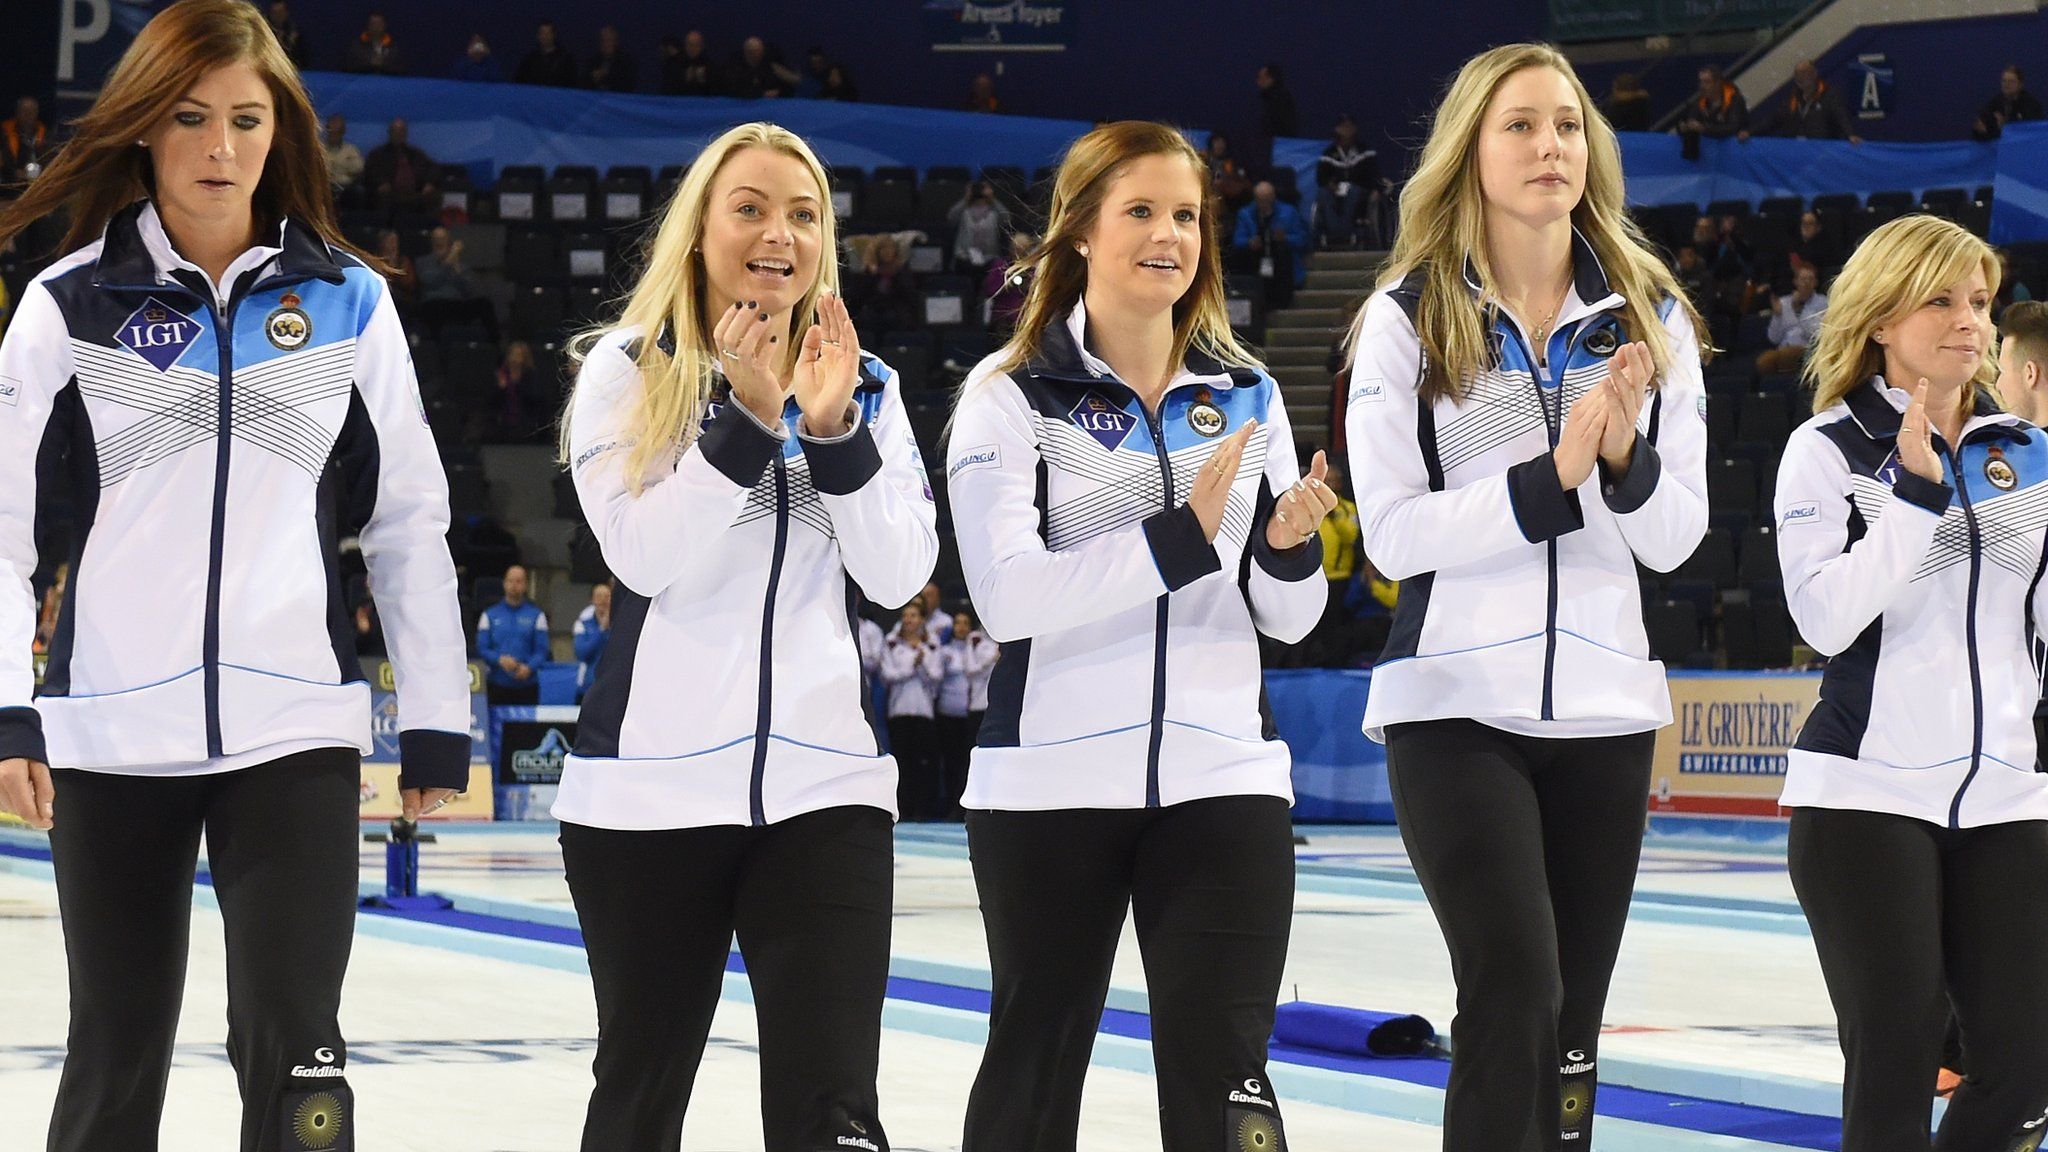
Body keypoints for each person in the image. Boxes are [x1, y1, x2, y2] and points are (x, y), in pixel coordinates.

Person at [0, 5, 473, 1150]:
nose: (220, 148)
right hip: (112, 736)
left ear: (282, 134)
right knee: (116, 1053)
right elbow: (3, 528)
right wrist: (10, 714)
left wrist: (437, 721)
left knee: (302, 1055)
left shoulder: (351, 302)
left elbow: (408, 521)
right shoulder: (66, 307)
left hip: (294, 731)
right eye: (192, 118)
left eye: (247, 121)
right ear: (145, 130)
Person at [945, 119, 1336, 1152]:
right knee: (1033, 1069)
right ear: (1079, 230)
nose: (1166, 235)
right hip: (1050, 784)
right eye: (1139, 212)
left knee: (1228, 1087)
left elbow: (1285, 618)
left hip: (1223, 777)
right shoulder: (1007, 395)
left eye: (1183, 215)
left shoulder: (1242, 391)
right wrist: (1175, 541)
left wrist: (1291, 547)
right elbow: (1006, 598)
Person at [1344, 43, 1708, 1150]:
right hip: (1453, 706)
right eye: (1519, 125)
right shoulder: (1405, 317)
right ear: (1469, 148)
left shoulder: (1648, 314)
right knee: (1510, 995)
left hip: (1603, 711)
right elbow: (1397, 534)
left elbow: (1675, 535)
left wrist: (1620, 460)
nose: (1548, 145)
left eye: (1564, 124)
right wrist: (1545, 480)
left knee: (1568, 1031)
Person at [553, 121, 936, 1151]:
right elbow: (642, 557)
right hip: (645, 801)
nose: (780, 233)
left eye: (803, 214)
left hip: (826, 795)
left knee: (836, 1117)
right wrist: (745, 422)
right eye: (752, 208)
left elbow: (898, 574)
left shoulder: (871, 390)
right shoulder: (626, 371)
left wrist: (829, 431)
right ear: (700, 231)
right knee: (639, 1099)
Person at [1773, 213, 2048, 1150]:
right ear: (1882, 317)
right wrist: (1916, 497)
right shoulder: (1828, 449)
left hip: (2010, 792)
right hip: (1863, 791)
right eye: (1940, 299)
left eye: (1979, 301)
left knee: (2024, 1068)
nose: (1970, 321)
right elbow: (1822, 618)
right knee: (1893, 1051)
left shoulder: (2029, 454)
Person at [883, 601, 944, 820]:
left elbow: (937, 676)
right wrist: (911, 667)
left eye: (913, 615)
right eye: (905, 615)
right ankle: (904, 808)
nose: (909, 620)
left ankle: (923, 809)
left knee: (923, 762)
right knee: (902, 762)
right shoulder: (892, 644)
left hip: (923, 711)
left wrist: (923, 664)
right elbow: (888, 675)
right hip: (899, 710)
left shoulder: (932, 646)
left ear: (921, 620)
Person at [937, 608, 997, 816]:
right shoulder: (975, 641)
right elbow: (970, 669)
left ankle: (989, 804)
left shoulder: (998, 641)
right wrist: (993, 658)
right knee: (965, 759)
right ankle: (961, 805)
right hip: (975, 708)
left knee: (991, 760)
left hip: (994, 708)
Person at [476, 563, 550, 706]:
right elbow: (482, 648)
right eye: (510, 581)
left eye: (518, 581)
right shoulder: (489, 615)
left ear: (525, 585)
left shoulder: (537, 615)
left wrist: (529, 667)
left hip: (527, 686)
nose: (514, 585)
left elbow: (542, 650)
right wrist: (499, 659)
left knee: (526, 729)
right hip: (496, 685)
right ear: (504, 584)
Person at [1232, 180, 1310, 307]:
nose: (1263, 204)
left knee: (1283, 256)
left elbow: (1302, 240)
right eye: (1260, 200)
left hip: (1281, 262)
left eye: (1266, 200)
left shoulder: (1289, 213)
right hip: (1256, 261)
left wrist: (1285, 238)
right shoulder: (1245, 214)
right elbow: (1237, 241)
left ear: (1273, 197)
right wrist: (1250, 242)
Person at [1742, 59, 1859, 143]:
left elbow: (1842, 117)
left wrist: (1851, 135)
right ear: (1796, 79)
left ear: (1815, 74)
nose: (1804, 79)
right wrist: (1750, 132)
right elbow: (1773, 120)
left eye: (1807, 74)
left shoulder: (1830, 96)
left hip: (1821, 152)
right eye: (1800, 77)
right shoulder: (1791, 99)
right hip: (1796, 152)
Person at [1316, 114, 1383, 250]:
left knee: (1353, 192)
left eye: (1349, 126)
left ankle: (1345, 232)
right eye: (1343, 126)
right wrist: (1331, 185)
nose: (1346, 130)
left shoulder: (1365, 151)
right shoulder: (1329, 153)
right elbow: (1321, 177)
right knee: (1323, 195)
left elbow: (1375, 175)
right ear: (1337, 129)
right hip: (1334, 192)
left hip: (1359, 193)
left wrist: (1376, 190)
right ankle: (1333, 232)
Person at [416, 226, 496, 338]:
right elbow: (430, 282)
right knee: (433, 308)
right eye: (437, 238)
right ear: (432, 241)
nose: (440, 241)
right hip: (435, 303)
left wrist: (457, 270)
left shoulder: (459, 264)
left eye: (443, 238)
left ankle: (496, 348)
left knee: (485, 304)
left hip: (456, 304)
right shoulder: (423, 262)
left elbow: (469, 290)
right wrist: (447, 264)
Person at [1756, 262, 1827, 375]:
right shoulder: (1784, 302)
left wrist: (1799, 309)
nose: (1806, 283)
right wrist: (1777, 316)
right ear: (1795, 281)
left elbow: (1816, 335)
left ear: (1815, 283)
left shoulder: (1822, 302)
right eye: (1803, 279)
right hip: (1784, 350)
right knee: (1763, 362)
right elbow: (1774, 338)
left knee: (1789, 356)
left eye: (1810, 279)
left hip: (1808, 351)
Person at [362, 117, 437, 216]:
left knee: (434, 196)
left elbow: (433, 168)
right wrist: (380, 183)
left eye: (402, 131)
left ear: (406, 133)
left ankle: (430, 228)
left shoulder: (416, 154)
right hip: (390, 193)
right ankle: (387, 228)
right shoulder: (378, 154)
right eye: (395, 131)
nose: (399, 134)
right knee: (381, 196)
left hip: (415, 193)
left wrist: (430, 183)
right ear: (389, 133)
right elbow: (371, 172)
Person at [949, 179, 1011, 281]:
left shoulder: (994, 212)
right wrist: (966, 198)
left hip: (990, 258)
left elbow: (1007, 218)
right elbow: (951, 217)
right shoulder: (964, 211)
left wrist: (992, 198)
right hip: (965, 258)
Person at [1676, 64, 1746, 149]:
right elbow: (1690, 120)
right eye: (1701, 82)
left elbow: (1732, 128)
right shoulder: (1700, 102)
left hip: (1734, 150)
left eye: (1707, 82)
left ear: (1718, 83)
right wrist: (1684, 128)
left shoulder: (1734, 99)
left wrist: (1704, 129)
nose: (1702, 86)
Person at [1973, 64, 2043, 141]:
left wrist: (2007, 128)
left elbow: (2032, 133)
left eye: (2011, 81)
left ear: (2020, 85)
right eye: (2004, 81)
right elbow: (1984, 130)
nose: (2007, 84)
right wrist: (1981, 130)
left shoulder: (2030, 104)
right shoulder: (1996, 102)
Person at [1254, 62, 1299, 171]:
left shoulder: (1280, 99)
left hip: (1279, 147)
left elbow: (1281, 124)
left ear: (1270, 79)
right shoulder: (1267, 98)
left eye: (1261, 77)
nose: (1257, 81)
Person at [572, 582, 611, 701]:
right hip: (588, 685)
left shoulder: (621, 624)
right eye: (599, 596)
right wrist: (601, 631)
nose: (603, 601)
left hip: (612, 686)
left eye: (607, 596)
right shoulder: (582, 624)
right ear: (592, 600)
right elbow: (581, 653)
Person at [2, 96, 54, 184]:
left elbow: (51, 160)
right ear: (17, 113)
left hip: (39, 183)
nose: (28, 114)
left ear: (37, 113)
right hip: (10, 183)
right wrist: (14, 172)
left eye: (32, 111)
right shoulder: (4, 133)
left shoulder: (46, 135)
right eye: (24, 111)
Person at [514, 20, 578, 88]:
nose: (545, 37)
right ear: (537, 36)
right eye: (542, 33)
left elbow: (571, 83)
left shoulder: (565, 59)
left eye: (548, 33)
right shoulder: (529, 59)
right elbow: (519, 82)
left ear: (554, 35)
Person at [659, 30, 720, 97]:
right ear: (685, 45)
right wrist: (684, 78)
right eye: (690, 45)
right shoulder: (674, 64)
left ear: (702, 46)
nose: (693, 48)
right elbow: (667, 89)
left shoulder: (709, 65)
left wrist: (703, 80)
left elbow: (716, 92)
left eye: (697, 45)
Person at [728, 36, 792, 99]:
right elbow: (734, 89)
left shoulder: (771, 64)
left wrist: (778, 92)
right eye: (750, 52)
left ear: (762, 50)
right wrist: (761, 94)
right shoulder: (735, 66)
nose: (754, 54)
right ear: (745, 52)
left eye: (757, 51)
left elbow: (787, 85)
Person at [1205, 131, 1252, 215]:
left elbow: (1241, 182)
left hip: (1228, 199)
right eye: (1216, 142)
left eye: (1222, 143)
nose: (1219, 145)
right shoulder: (1203, 158)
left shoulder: (1231, 162)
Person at [344, 11, 402, 75]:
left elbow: (398, 67)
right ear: (368, 25)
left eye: (379, 24)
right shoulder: (357, 44)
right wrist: (369, 62)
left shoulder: (392, 45)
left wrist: (383, 63)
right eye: (373, 24)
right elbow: (349, 65)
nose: (376, 27)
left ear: (384, 26)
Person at [320, 112, 363, 198]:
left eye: (338, 131)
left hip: (345, 187)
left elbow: (358, 169)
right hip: (323, 186)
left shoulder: (351, 150)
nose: (334, 134)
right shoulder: (319, 149)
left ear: (343, 132)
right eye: (332, 131)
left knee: (357, 192)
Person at [586, 25, 638, 93]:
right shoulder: (593, 60)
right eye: (603, 40)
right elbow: (583, 82)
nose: (605, 44)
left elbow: (627, 85)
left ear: (616, 42)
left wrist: (604, 77)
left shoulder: (625, 61)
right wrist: (593, 78)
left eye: (609, 40)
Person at [264, 1, 307, 69]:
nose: (277, 17)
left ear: (286, 13)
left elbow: (303, 60)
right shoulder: (264, 32)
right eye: (274, 13)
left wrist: (291, 44)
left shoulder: (294, 33)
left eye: (280, 13)